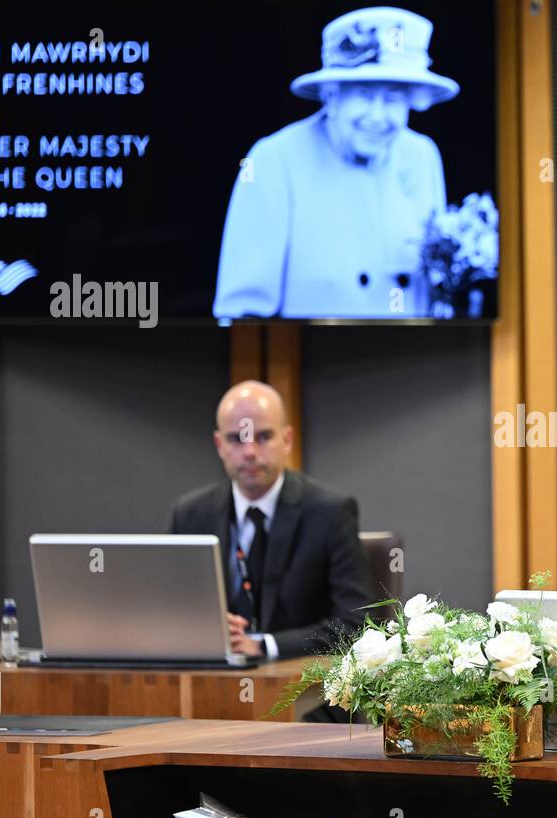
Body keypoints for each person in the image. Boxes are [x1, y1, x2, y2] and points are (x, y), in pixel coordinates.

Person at [213, 6, 459, 321]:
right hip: (311, 365)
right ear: (332, 94)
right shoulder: (274, 159)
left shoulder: (422, 155)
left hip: (409, 362)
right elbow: (243, 315)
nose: (378, 116)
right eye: (363, 95)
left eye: (394, 98)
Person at [169, 380, 374, 660]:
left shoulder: (331, 512)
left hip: (301, 690)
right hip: (212, 682)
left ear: (287, 440)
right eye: (236, 439)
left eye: (263, 436)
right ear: (219, 445)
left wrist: (265, 645)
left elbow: (356, 625)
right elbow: (173, 614)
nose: (250, 451)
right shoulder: (190, 514)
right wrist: (208, 629)